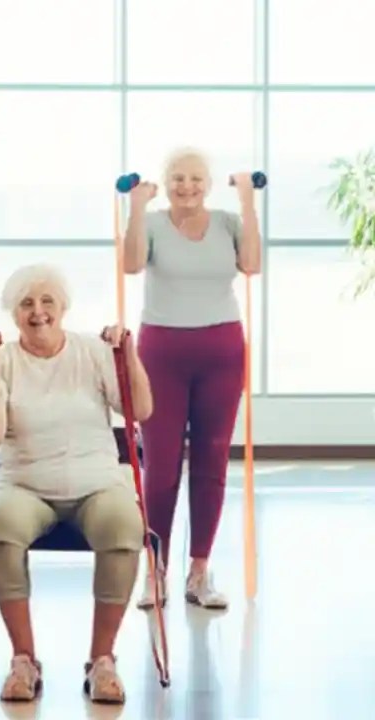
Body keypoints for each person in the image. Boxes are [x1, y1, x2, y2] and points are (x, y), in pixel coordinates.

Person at [0, 264, 153, 705]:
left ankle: (102, 660)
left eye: (47, 301)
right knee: (0, 525)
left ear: (63, 307)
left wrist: (127, 355)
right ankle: (24, 659)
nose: (38, 313)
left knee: (124, 524)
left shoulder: (91, 351)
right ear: (13, 314)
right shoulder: (6, 359)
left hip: (96, 484)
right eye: (26, 304)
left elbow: (141, 409)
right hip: (23, 484)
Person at [122, 148, 262, 611]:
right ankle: (155, 571)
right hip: (161, 351)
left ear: (207, 182)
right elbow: (131, 264)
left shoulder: (226, 222)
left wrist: (247, 202)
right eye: (178, 178)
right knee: (160, 465)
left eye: (196, 178)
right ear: (167, 182)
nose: (187, 186)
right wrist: (137, 207)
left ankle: (199, 571)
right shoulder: (155, 223)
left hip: (222, 350)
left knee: (212, 461)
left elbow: (253, 265)